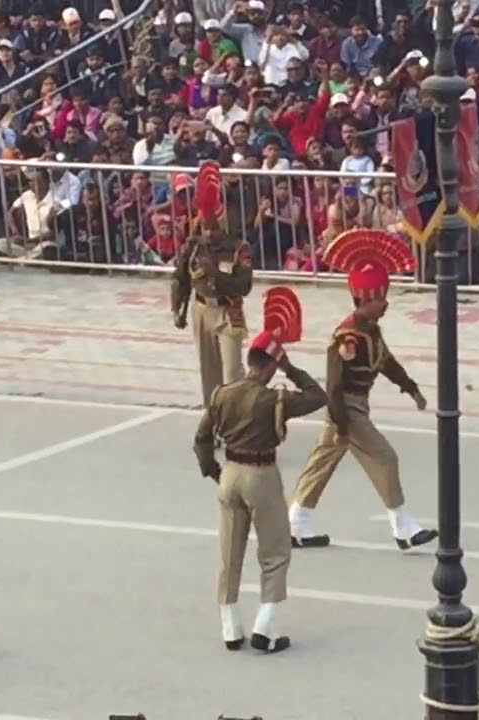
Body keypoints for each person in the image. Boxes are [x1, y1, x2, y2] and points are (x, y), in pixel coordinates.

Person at [193, 287, 326, 654]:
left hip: (231, 472)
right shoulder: (274, 398)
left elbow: (202, 439)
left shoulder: (223, 393)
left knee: (229, 553)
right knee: (275, 552)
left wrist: (214, 472)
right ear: (269, 365)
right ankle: (265, 629)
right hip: (262, 474)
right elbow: (319, 396)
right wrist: (291, 368)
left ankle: (230, 628)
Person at [289, 229, 439, 551]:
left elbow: (386, 362)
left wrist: (410, 387)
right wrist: (342, 424)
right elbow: (333, 385)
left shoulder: (371, 330)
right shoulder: (348, 336)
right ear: (364, 299)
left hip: (355, 407)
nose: (386, 304)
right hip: (346, 408)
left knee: (322, 464)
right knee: (385, 457)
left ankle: (296, 522)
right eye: (380, 298)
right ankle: (404, 527)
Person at [171, 161, 255, 409]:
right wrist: (178, 309)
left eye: (213, 228)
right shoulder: (194, 246)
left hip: (228, 311)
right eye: (205, 227)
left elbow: (244, 285)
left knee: (232, 371)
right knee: (208, 371)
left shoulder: (239, 249)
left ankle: (236, 416)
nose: (208, 233)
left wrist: (215, 275)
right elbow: (180, 278)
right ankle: (213, 417)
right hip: (201, 310)